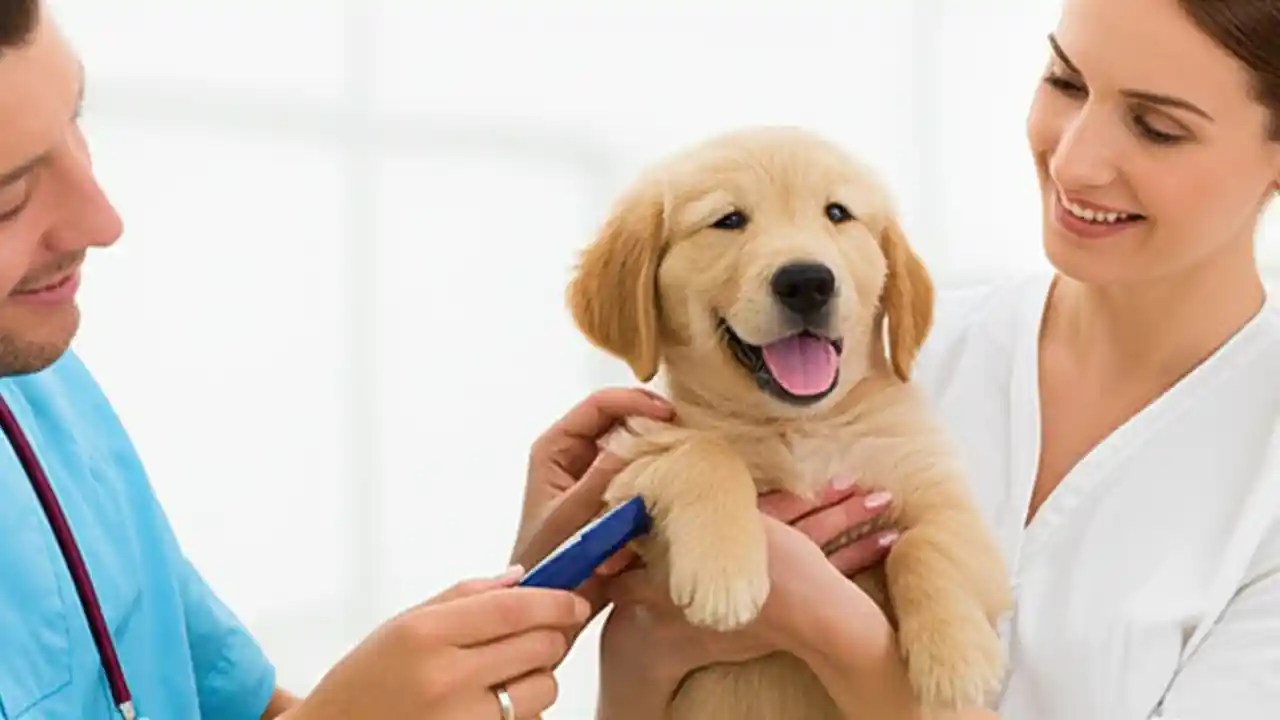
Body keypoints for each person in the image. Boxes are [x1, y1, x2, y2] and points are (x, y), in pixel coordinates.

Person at [529, 0, 1280, 718]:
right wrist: (605, 630)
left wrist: (836, 636)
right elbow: (631, 675)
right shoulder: (873, 349)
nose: (1077, 162)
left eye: (1157, 128)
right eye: (1064, 81)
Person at [0, 2, 677, 719]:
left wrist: (527, 597)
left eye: (78, 120)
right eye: (9, 199)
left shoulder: (45, 397)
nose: (102, 221)